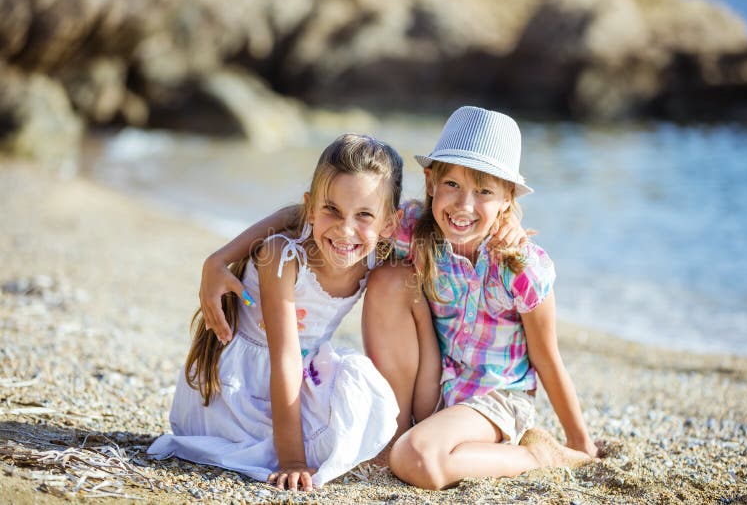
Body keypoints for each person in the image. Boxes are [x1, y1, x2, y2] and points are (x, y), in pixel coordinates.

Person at [148, 134, 406, 491]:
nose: (346, 229)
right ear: (312, 208)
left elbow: (435, 225)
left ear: (389, 225)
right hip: (241, 387)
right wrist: (293, 461)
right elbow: (285, 358)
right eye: (331, 210)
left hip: (303, 376)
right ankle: (285, 446)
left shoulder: (382, 254)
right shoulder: (282, 256)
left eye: (364, 215)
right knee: (346, 392)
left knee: (357, 379)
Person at [366, 106, 598, 490]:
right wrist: (230, 256)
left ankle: (535, 456)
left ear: (507, 199)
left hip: (496, 398)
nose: (464, 206)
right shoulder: (416, 231)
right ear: (430, 182)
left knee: (416, 458)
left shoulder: (522, 268)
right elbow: (341, 221)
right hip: (437, 385)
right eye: (452, 185)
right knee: (388, 279)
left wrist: (581, 442)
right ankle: (395, 429)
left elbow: (547, 357)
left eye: (485, 191)